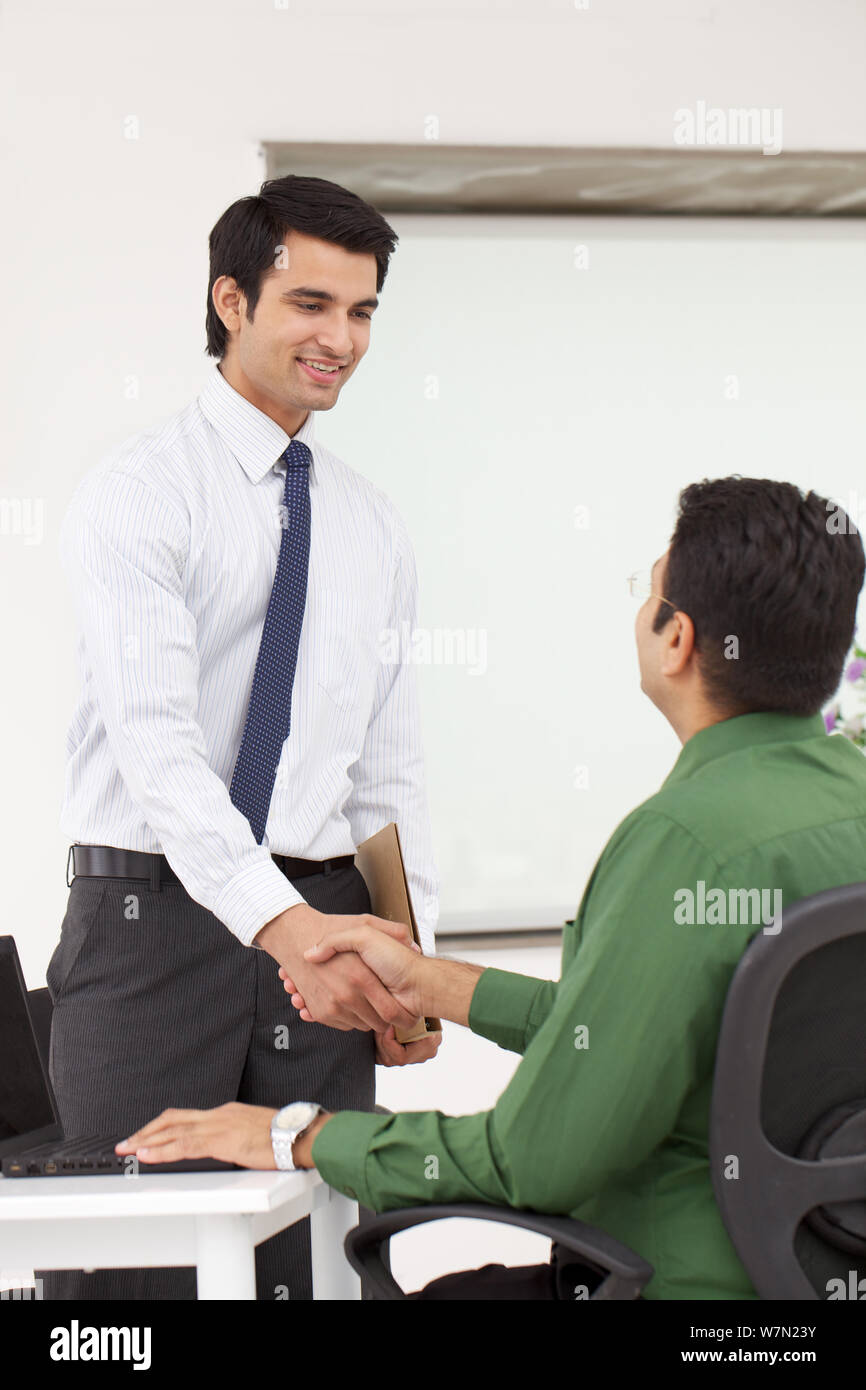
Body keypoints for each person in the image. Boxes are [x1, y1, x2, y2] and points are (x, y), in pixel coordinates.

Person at [120, 476, 866, 1299]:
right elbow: (633, 1035)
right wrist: (432, 981)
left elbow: (534, 1160)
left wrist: (303, 1134)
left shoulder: (686, 841)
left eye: (646, 592)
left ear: (678, 639)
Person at [42, 175, 441, 1302]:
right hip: (152, 930)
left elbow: (385, 775)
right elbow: (158, 757)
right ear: (230, 300)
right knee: (130, 1280)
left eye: (361, 312)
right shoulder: (139, 494)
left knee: (316, 1264)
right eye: (310, 304)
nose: (340, 339)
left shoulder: (371, 523)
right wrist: (288, 927)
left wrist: (401, 965)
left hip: (326, 932)